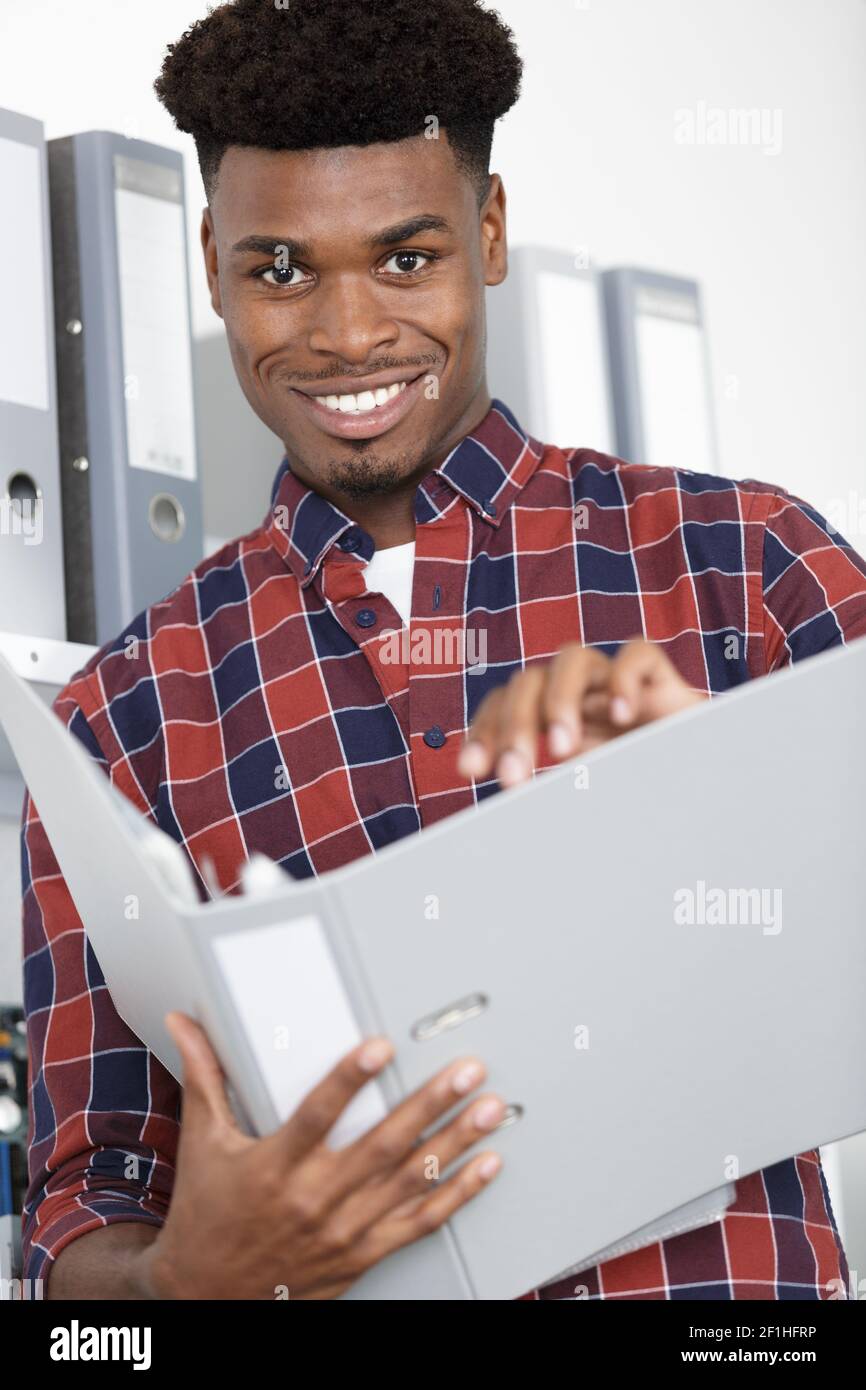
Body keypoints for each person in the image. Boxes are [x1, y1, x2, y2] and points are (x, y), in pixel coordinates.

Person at [22, 0, 866, 1300]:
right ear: (209, 264)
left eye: (405, 259)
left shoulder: (749, 565)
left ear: (487, 235)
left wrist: (738, 806)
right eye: (281, 269)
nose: (349, 335)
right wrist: (187, 1281)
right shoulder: (115, 720)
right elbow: (85, 1224)